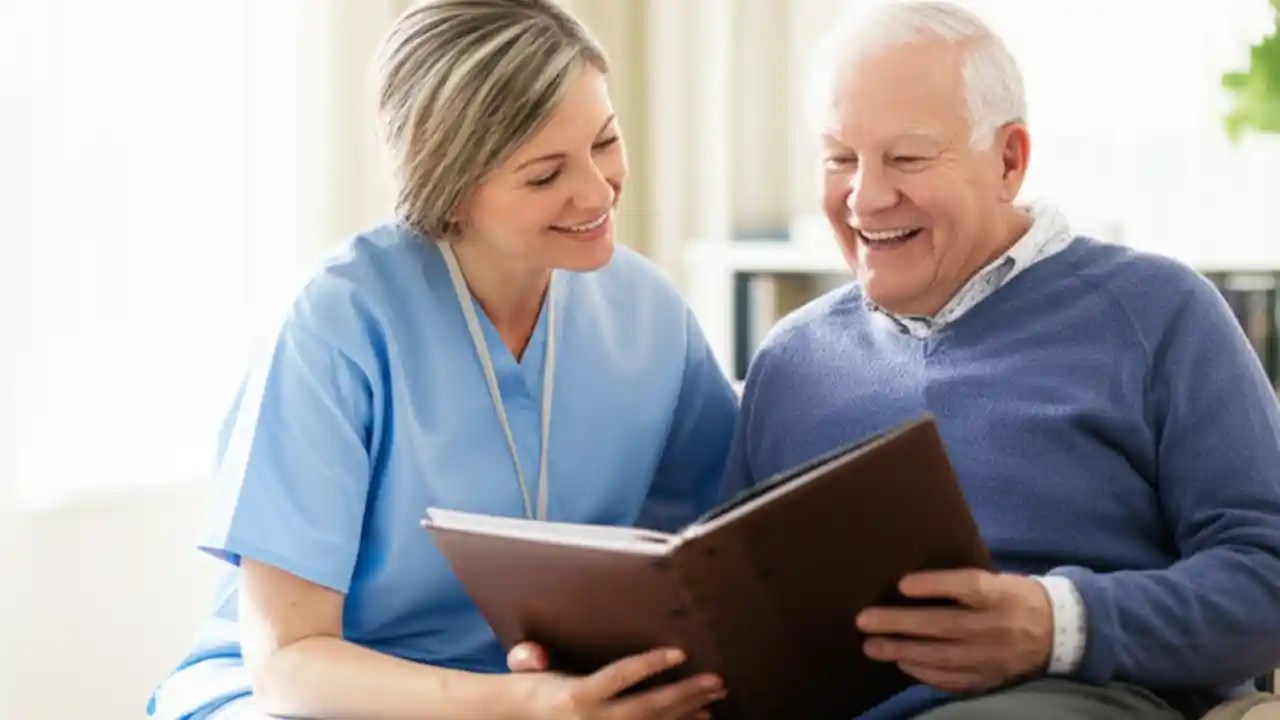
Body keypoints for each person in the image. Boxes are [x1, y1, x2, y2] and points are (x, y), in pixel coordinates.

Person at [146, 1, 735, 718]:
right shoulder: (335, 325)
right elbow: (289, 665)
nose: (596, 190)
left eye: (605, 142)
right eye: (544, 175)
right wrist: (520, 706)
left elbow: (718, 550)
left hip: (559, 696)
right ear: (451, 193)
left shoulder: (649, 314)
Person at [715, 2, 1280, 718]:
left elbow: (1268, 575)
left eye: (907, 158)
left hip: (1071, 693)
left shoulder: (1157, 313)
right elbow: (725, 604)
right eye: (839, 158)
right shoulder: (792, 359)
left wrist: (1060, 625)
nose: (865, 196)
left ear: (1009, 160)